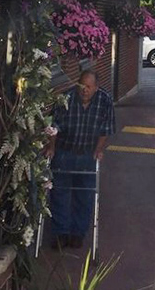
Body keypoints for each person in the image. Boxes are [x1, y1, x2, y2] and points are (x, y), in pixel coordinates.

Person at [46, 68, 116, 249]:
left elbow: (106, 129)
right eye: (81, 86)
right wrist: (51, 147)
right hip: (64, 152)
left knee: (84, 195)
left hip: (87, 153)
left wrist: (99, 149)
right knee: (59, 193)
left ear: (96, 87)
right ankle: (60, 233)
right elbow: (54, 125)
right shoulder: (66, 98)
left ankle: (77, 233)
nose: (84, 90)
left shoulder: (105, 100)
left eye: (89, 86)